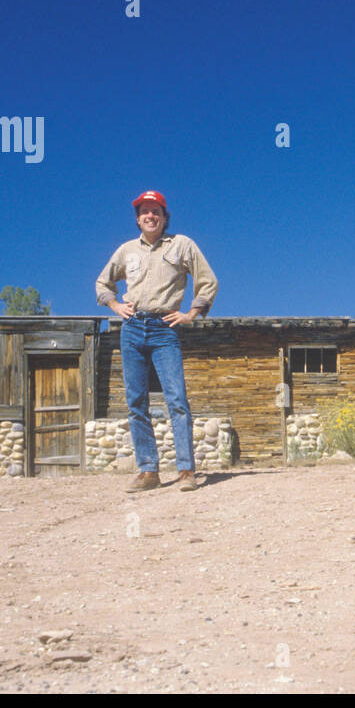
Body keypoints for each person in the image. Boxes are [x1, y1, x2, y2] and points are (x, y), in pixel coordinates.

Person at [95, 190, 218, 492]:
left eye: (156, 211)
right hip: (133, 328)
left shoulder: (181, 245)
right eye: (144, 211)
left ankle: (186, 470)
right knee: (136, 401)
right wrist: (114, 306)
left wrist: (191, 313)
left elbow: (208, 280)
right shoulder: (126, 251)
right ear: (138, 219)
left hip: (165, 328)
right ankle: (148, 471)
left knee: (177, 399)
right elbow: (102, 282)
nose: (150, 216)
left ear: (165, 217)